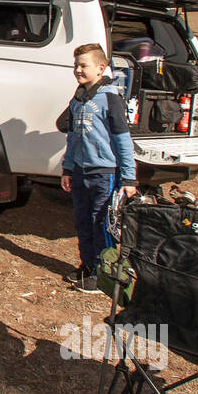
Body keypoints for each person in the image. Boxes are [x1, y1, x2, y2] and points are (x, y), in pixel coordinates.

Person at [57, 43, 137, 293]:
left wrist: (129, 178)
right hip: (81, 171)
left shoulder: (109, 99)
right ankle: (88, 265)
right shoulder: (78, 98)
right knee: (82, 220)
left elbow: (123, 141)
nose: (78, 70)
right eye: (75, 65)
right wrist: (68, 169)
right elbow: (73, 137)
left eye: (83, 65)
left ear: (101, 68)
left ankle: (105, 274)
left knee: (101, 222)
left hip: (104, 173)